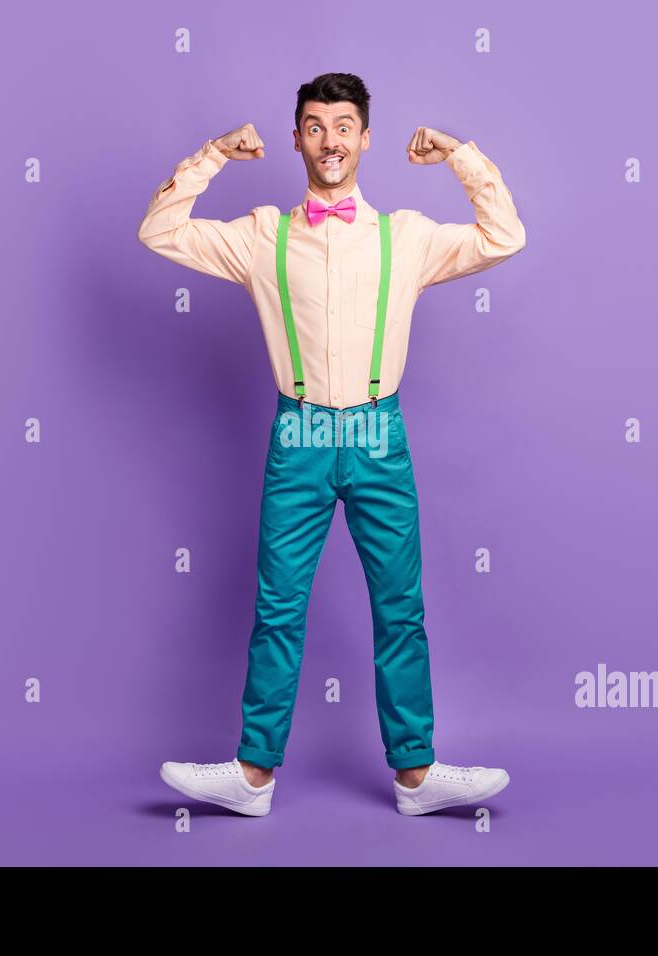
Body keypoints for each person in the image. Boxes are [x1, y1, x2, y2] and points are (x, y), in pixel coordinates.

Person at [137, 73, 526, 816]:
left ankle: (415, 776)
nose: (330, 141)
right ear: (297, 140)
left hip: (379, 433)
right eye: (315, 127)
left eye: (343, 126)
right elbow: (158, 231)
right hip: (300, 433)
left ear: (365, 137)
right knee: (278, 608)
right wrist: (212, 156)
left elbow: (505, 236)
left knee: (399, 609)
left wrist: (459, 158)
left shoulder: (405, 237)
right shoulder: (260, 236)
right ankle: (253, 777)